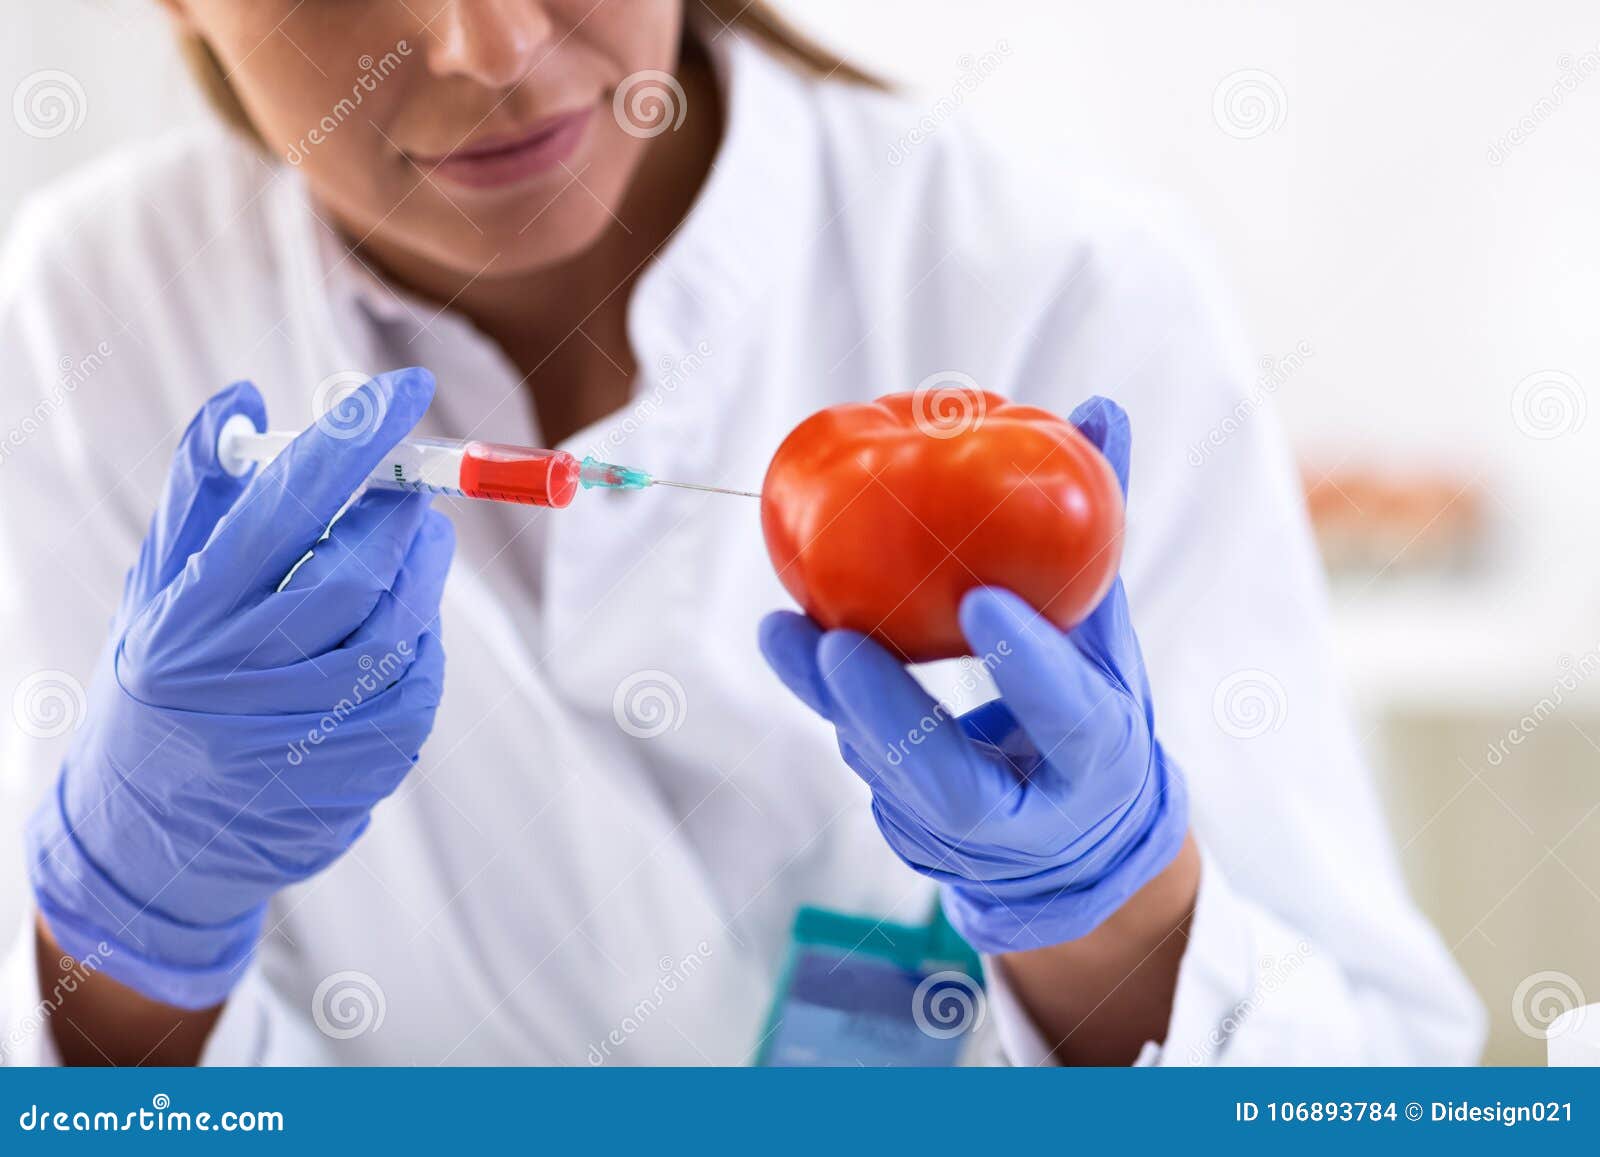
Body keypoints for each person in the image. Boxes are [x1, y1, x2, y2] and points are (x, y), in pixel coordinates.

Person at [0, 0, 1482, 1066]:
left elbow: (1368, 1093)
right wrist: (125, 933)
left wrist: (1112, 918)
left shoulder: (1066, 282)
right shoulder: (81, 320)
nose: (489, 47)